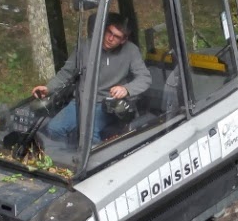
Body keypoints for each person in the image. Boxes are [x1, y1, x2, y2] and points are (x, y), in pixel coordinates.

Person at [33, 9, 150, 144]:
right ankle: (67, 155)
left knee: (89, 135)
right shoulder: (85, 47)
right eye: (109, 32)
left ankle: (99, 157)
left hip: (107, 105)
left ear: (124, 40)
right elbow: (66, 72)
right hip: (81, 101)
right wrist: (48, 88)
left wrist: (126, 89)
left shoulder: (131, 51)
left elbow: (145, 78)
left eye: (116, 37)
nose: (110, 38)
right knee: (54, 129)